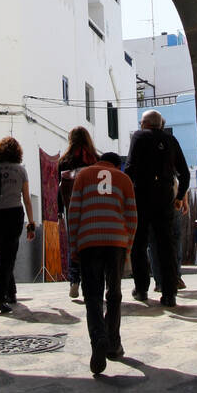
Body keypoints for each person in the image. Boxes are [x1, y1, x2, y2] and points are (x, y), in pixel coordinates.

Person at [68, 151, 137, 375]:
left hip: (89, 240)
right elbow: (132, 216)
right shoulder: (123, 179)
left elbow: (74, 213)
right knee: (114, 293)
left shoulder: (83, 176)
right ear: (117, 164)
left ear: (99, 162)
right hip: (115, 241)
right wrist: (127, 248)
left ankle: (98, 338)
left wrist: (73, 246)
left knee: (93, 296)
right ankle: (114, 344)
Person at [124, 111, 190, 309]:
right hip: (164, 197)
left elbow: (129, 169)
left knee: (139, 243)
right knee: (165, 244)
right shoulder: (171, 140)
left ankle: (142, 288)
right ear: (160, 124)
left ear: (144, 123)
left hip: (141, 195)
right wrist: (179, 197)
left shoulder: (138, 136)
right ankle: (169, 294)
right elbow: (184, 173)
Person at [0, 136, 36, 314]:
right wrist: (31, 223)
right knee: (8, 257)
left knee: (2, 255)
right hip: (13, 215)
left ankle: (11, 292)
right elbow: (26, 199)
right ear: (17, 152)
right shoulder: (21, 171)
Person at [57, 126, 98, 298]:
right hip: (93, 207)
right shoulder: (95, 159)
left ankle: (74, 280)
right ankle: (93, 282)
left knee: (74, 244)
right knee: (92, 244)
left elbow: (59, 190)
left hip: (72, 207)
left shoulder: (64, 161)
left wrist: (60, 213)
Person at [150, 190, 188, 291]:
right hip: (169, 199)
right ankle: (171, 279)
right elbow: (183, 177)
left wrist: (183, 198)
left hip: (166, 200)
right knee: (171, 241)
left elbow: (183, 178)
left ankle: (165, 281)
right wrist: (183, 198)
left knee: (156, 242)